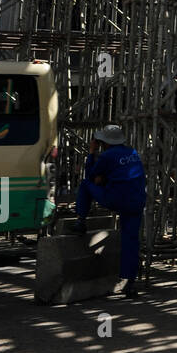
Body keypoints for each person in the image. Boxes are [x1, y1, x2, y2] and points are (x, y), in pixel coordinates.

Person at [73, 125, 147, 298]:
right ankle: (129, 283)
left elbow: (91, 176)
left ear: (104, 142)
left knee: (85, 185)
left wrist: (92, 153)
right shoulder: (132, 153)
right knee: (131, 241)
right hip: (136, 202)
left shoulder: (107, 156)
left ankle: (80, 221)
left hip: (117, 199)